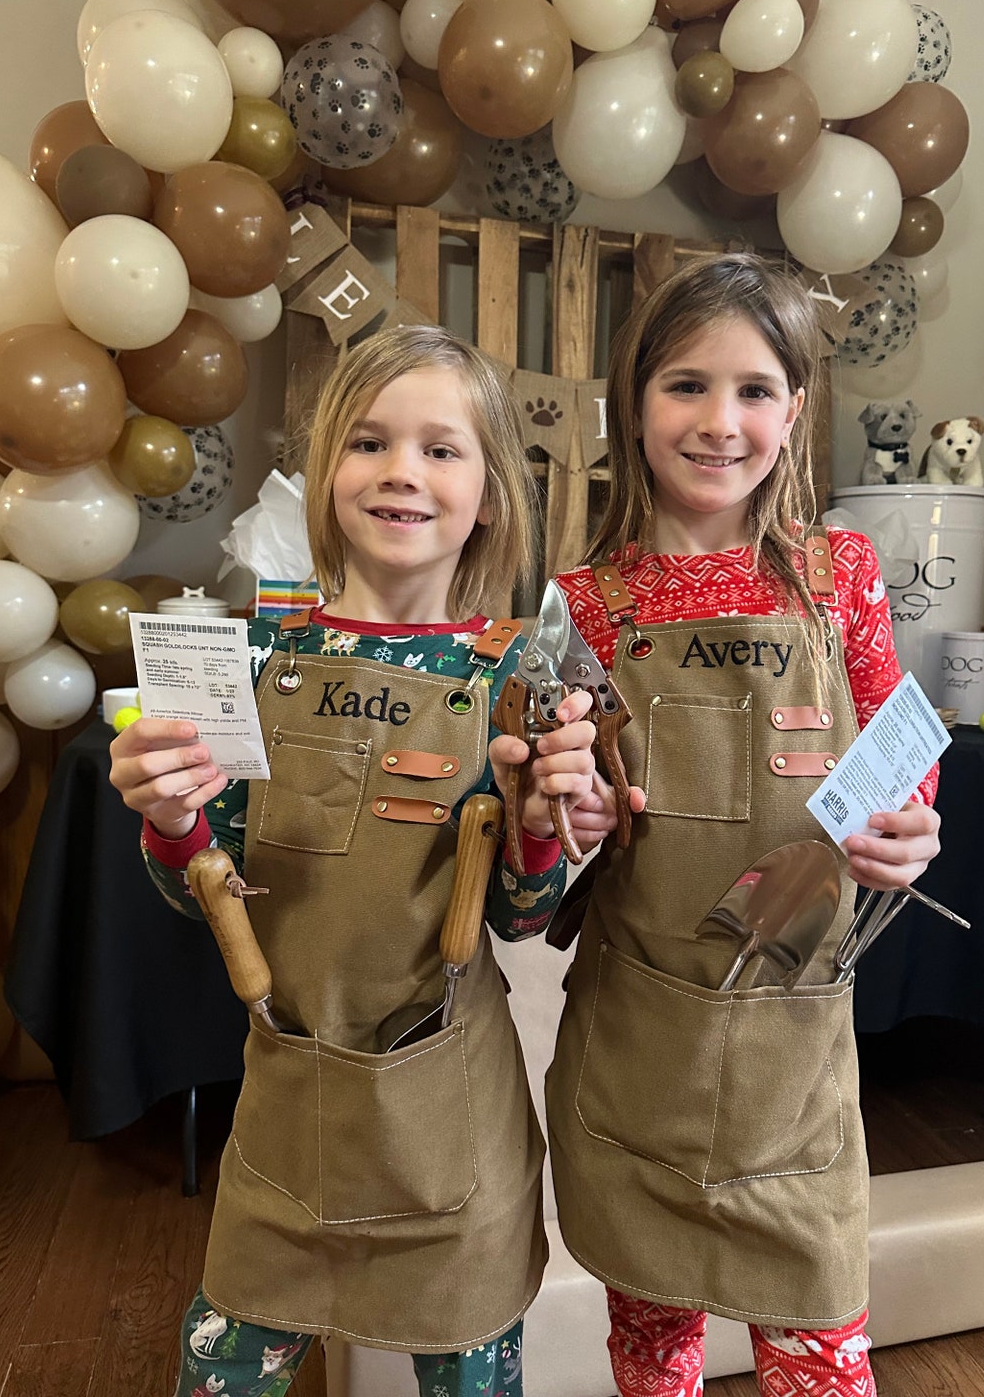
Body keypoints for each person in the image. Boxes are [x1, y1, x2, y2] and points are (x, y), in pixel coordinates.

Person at [110, 325, 600, 1397]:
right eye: (369, 442)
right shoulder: (252, 661)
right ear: (327, 471)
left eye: (441, 449)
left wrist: (539, 822)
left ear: (490, 492)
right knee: (223, 1366)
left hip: (452, 1121)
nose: (401, 472)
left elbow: (523, 917)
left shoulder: (521, 674)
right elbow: (200, 893)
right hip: (289, 1108)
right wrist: (171, 821)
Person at [546, 253, 942, 1397]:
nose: (721, 422)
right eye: (686, 385)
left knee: (820, 1353)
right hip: (640, 1050)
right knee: (652, 1345)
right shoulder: (582, 606)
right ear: (634, 403)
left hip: (793, 1064)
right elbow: (560, 832)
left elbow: (902, 767)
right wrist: (568, 814)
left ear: (795, 410)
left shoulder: (841, 575)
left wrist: (910, 833)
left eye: (754, 389)